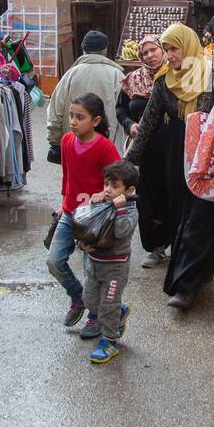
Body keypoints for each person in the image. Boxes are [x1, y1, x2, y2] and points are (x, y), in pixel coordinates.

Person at [126, 23, 214, 310]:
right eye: (167, 48)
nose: (169, 55)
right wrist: (128, 162)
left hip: (210, 154)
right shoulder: (164, 82)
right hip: (178, 153)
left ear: (188, 46)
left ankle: (190, 282)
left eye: (173, 48)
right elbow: (147, 124)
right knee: (184, 215)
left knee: (205, 216)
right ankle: (188, 281)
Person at [47, 93, 121, 328]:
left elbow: (119, 182)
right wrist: (63, 204)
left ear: (96, 121)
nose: (73, 121)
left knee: (93, 272)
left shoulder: (105, 148)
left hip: (94, 221)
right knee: (54, 261)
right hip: (69, 213)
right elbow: (67, 175)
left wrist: (106, 196)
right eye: (71, 116)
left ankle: (95, 317)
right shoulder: (67, 141)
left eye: (80, 117)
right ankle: (77, 297)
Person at [76, 160, 140, 364]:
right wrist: (81, 244)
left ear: (129, 190)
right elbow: (87, 226)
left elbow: (121, 231)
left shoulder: (130, 211)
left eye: (115, 186)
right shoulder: (101, 202)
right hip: (94, 263)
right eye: (106, 185)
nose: (108, 190)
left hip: (115, 268)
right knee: (89, 300)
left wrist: (120, 208)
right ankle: (119, 311)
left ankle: (109, 341)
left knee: (107, 306)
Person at [116, 34, 171, 267]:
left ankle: (174, 240)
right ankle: (155, 247)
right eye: (145, 52)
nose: (150, 55)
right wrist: (131, 125)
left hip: (169, 149)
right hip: (143, 151)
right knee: (146, 198)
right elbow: (121, 110)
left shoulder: (174, 77)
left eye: (153, 50)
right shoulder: (133, 79)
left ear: (163, 50)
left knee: (170, 195)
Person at [47, 30, 126, 153]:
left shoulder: (71, 74)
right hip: (108, 147)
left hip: (74, 145)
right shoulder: (117, 75)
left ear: (83, 50)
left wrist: (55, 141)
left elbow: (55, 111)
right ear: (105, 50)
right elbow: (124, 114)